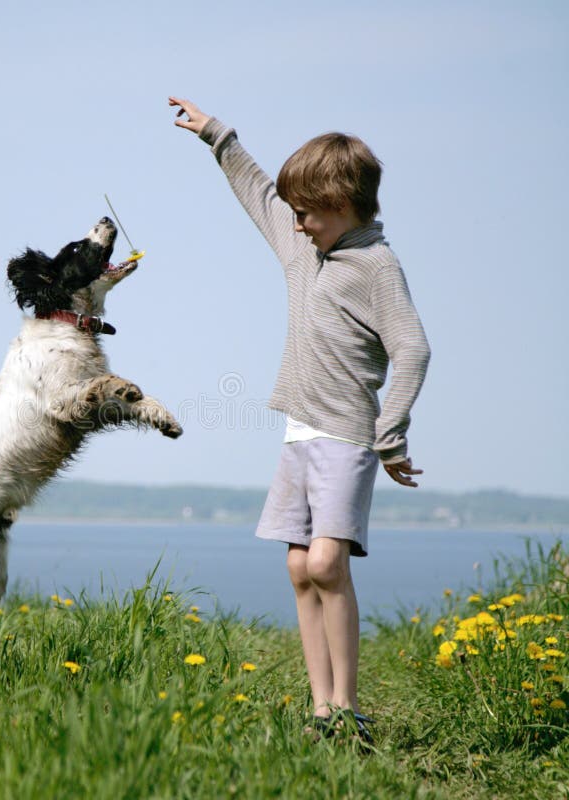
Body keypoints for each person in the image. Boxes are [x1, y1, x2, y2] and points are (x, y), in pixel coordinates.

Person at [169, 97, 431, 743]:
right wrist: (218, 137)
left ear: (341, 206)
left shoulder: (376, 266)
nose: (297, 223)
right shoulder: (303, 246)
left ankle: (348, 706)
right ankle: (321, 711)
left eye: (307, 213)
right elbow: (259, 193)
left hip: (347, 435)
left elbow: (412, 348)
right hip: (298, 432)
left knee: (324, 566)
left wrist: (390, 434)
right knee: (296, 568)